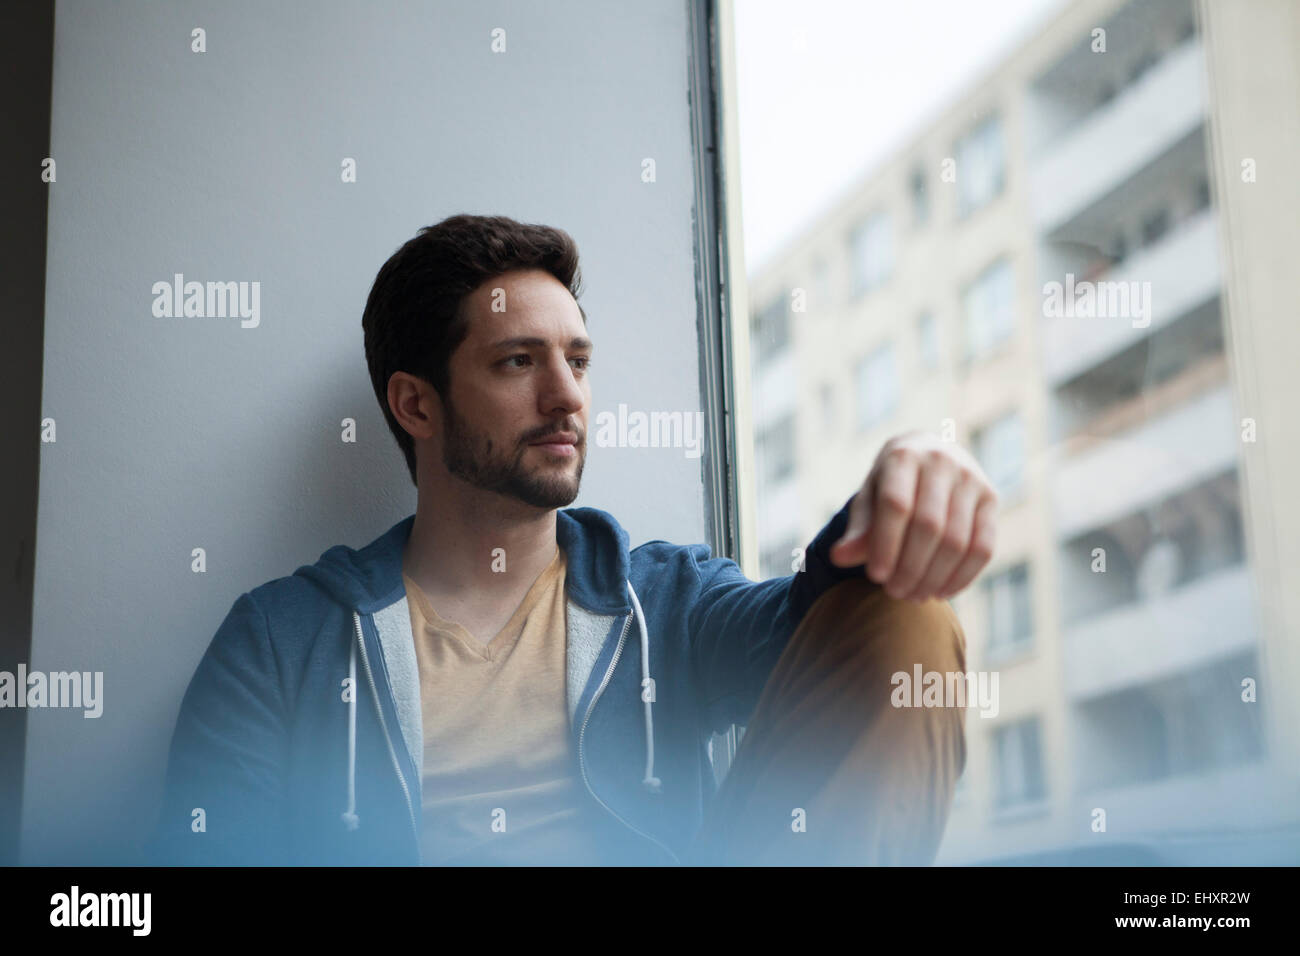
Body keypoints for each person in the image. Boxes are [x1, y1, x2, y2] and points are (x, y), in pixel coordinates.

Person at [147, 213, 997, 867]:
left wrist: (897, 486)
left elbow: (820, 626)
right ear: (417, 405)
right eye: (519, 362)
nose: (568, 398)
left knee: (906, 621)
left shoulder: (662, 603)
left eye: (579, 362)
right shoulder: (280, 642)